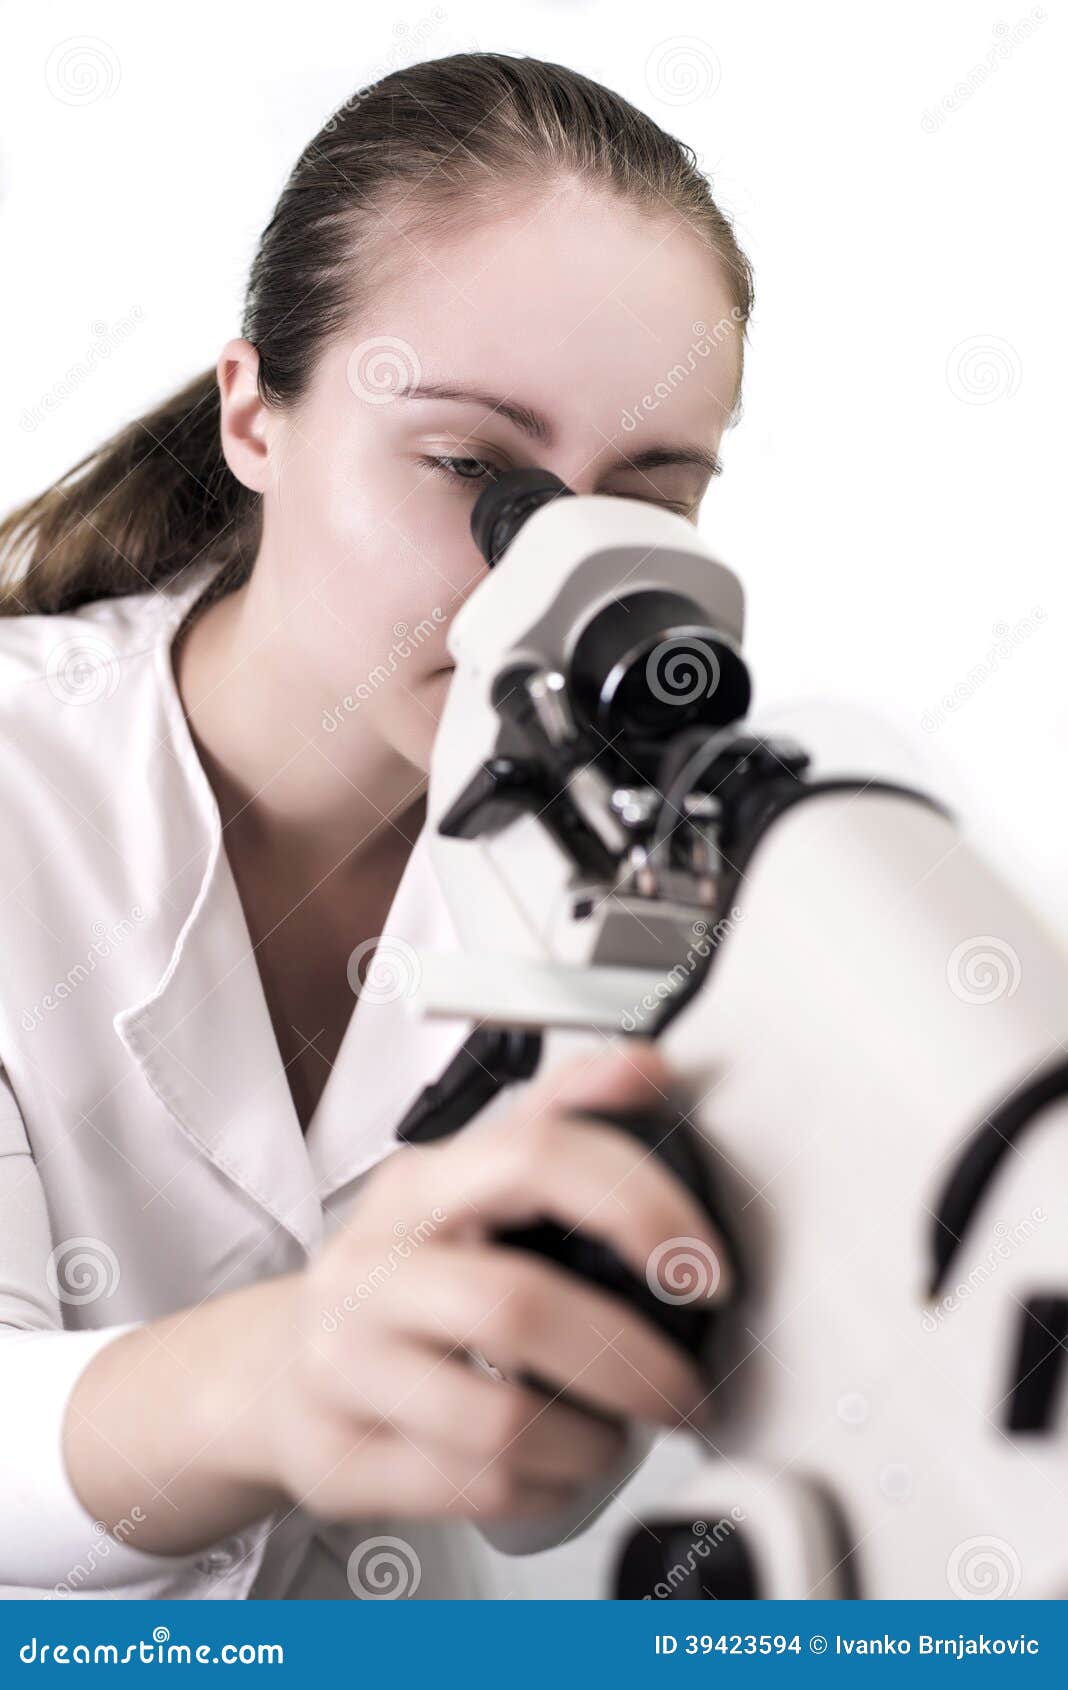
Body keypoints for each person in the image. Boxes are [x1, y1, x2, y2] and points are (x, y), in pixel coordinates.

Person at [0, 51, 752, 1599]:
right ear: (255, 416)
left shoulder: (662, 861)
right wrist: (281, 1375)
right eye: (475, 470)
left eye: (643, 506)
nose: (549, 587)